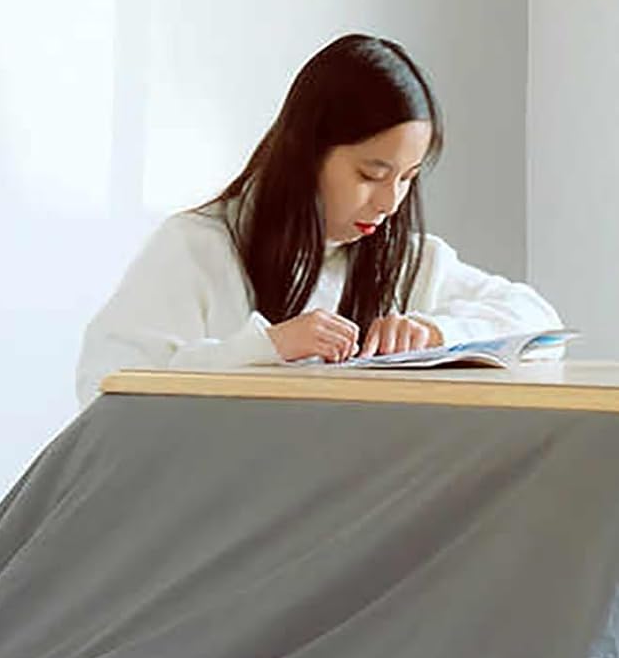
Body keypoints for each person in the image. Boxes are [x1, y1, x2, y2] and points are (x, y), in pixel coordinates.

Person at [75, 33, 563, 406]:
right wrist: (266, 348)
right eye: (372, 174)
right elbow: (107, 386)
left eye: (407, 178)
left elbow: (541, 328)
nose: (390, 202)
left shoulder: (405, 261)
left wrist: (436, 334)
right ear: (308, 155)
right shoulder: (198, 246)